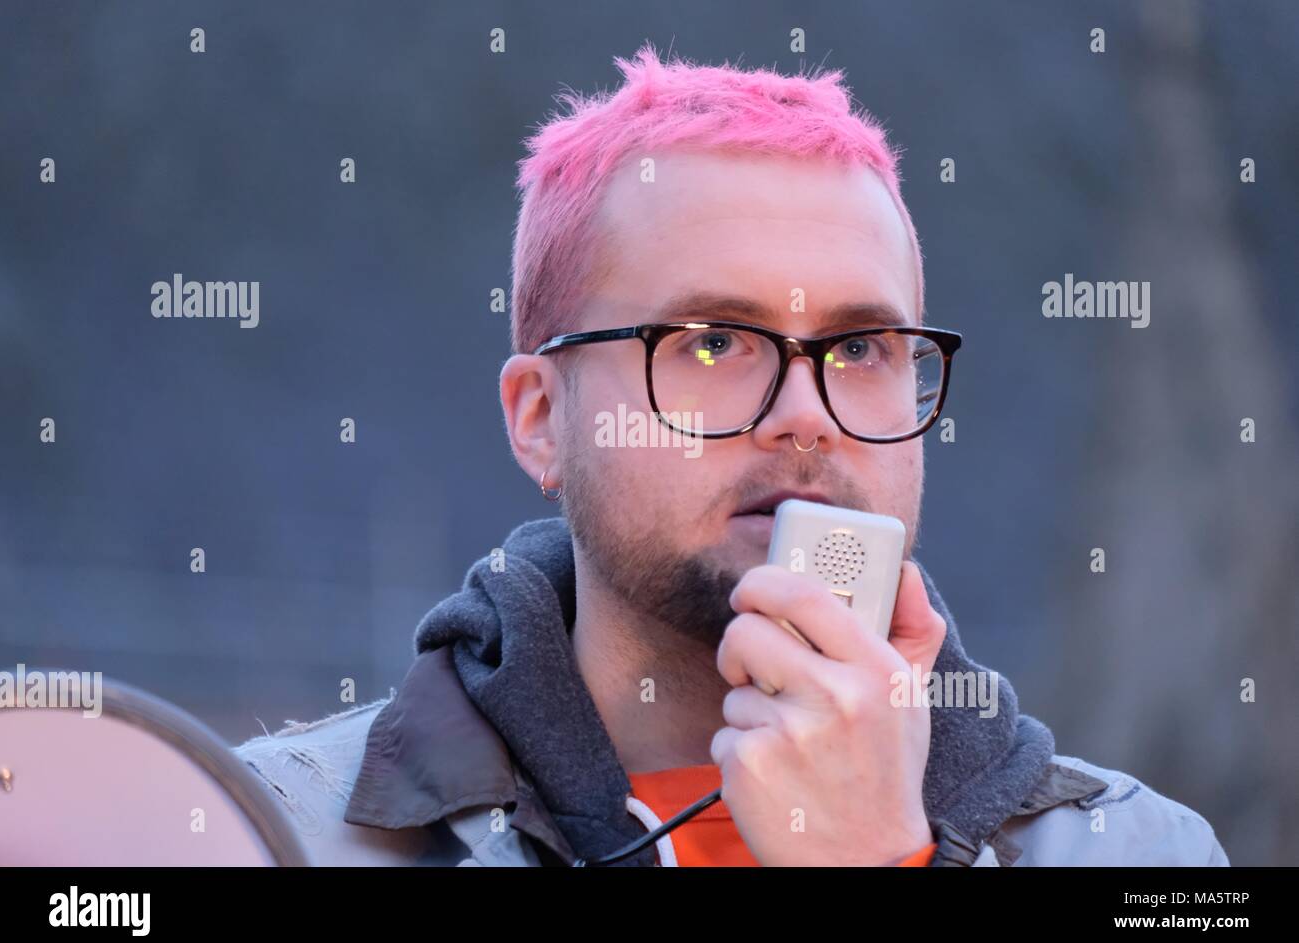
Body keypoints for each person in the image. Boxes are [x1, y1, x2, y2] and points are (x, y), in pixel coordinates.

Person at [233, 44, 1228, 867]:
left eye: (861, 348)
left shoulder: (1149, 856)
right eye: (713, 342)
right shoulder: (257, 833)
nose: (807, 414)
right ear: (540, 415)